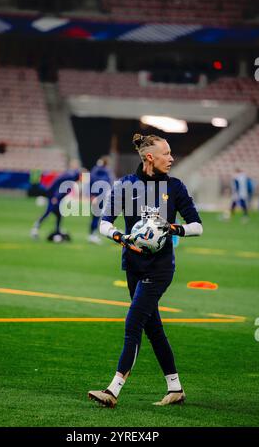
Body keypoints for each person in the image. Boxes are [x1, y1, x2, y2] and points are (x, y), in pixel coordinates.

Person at [88, 133, 203, 407]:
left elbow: (197, 226)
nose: (172, 158)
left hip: (161, 268)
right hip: (133, 265)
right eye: (167, 154)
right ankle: (175, 387)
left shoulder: (175, 187)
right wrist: (122, 238)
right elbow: (104, 223)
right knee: (153, 328)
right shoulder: (125, 185)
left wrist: (172, 228)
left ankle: (113, 390)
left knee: (133, 323)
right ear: (150, 157)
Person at [30, 163, 81, 242]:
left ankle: (56, 231)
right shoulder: (70, 178)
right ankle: (35, 229)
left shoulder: (70, 176)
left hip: (54, 196)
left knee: (58, 215)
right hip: (54, 197)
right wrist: (56, 197)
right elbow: (60, 187)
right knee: (48, 213)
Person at [88, 156, 114, 244]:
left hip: (101, 196)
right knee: (96, 215)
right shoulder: (99, 171)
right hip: (97, 196)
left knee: (99, 216)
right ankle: (92, 235)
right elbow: (93, 182)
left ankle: (93, 234)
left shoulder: (101, 171)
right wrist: (93, 195)